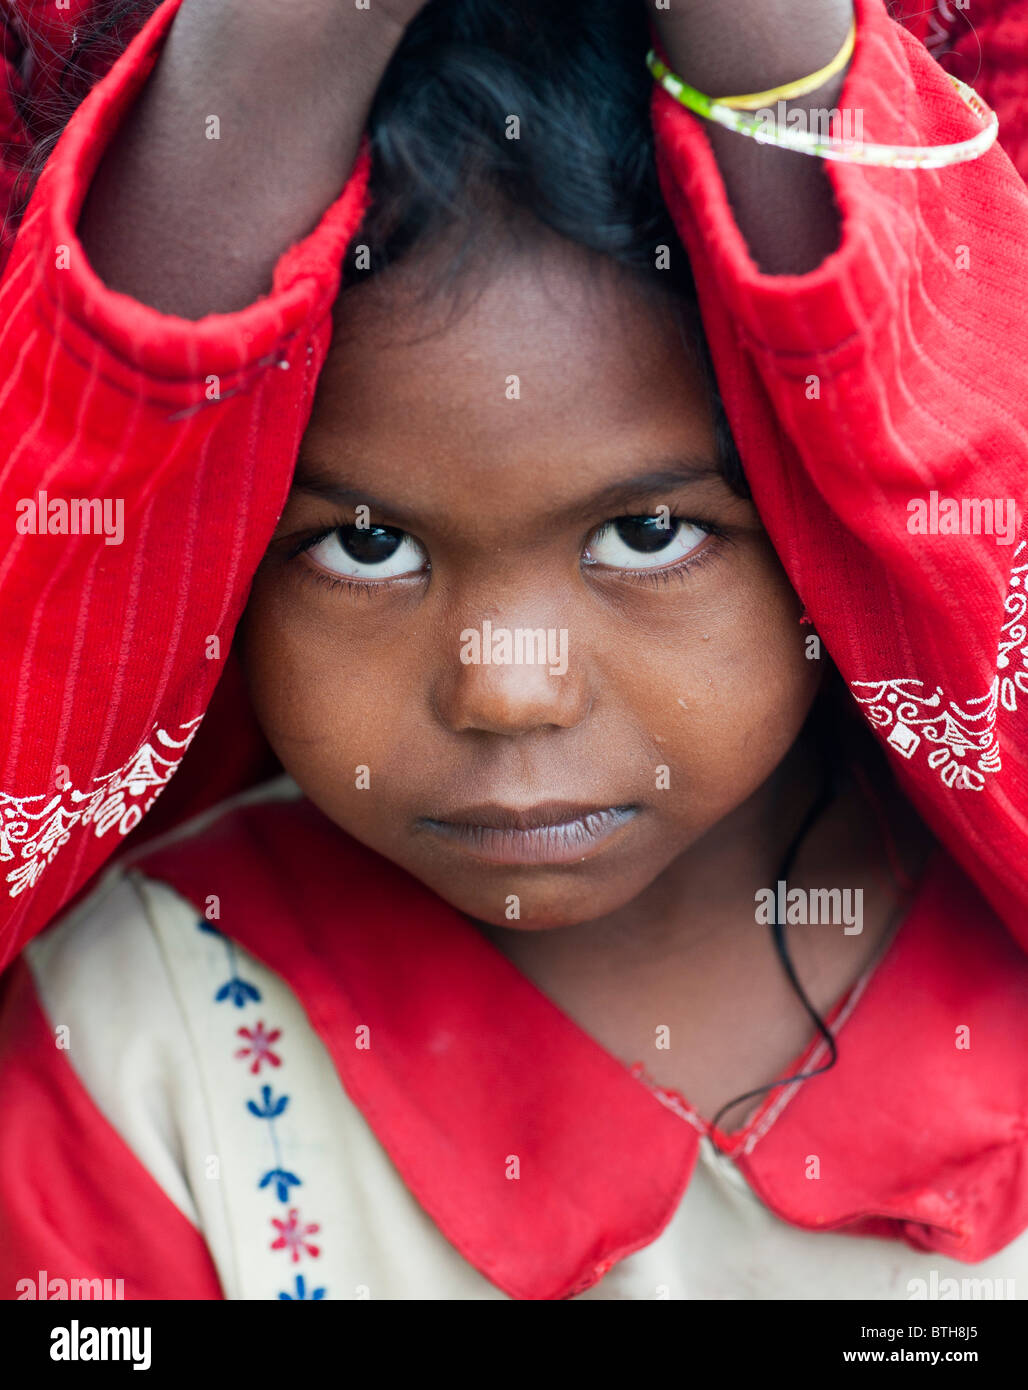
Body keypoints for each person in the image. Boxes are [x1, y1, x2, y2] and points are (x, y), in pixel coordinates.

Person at [1, 0, 1027, 1300]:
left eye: (648, 532)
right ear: (231, 553)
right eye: (368, 547)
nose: (507, 684)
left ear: (820, 512)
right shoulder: (141, 1062)